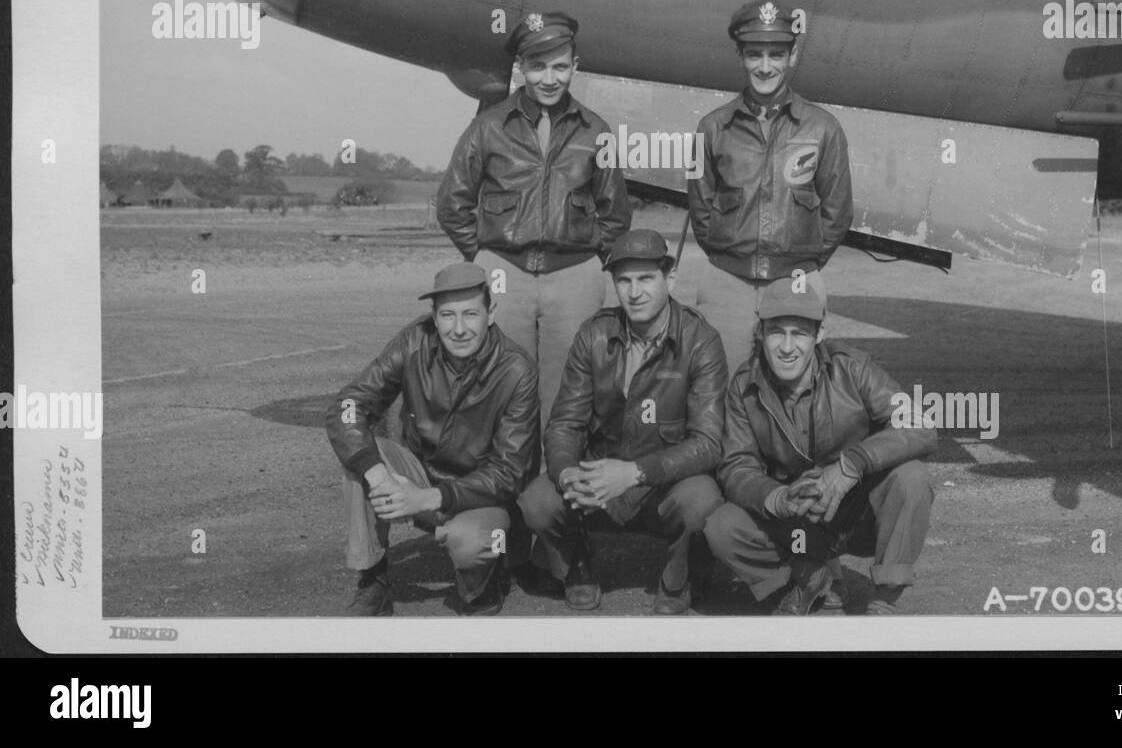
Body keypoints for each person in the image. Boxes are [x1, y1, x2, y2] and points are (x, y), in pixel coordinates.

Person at [437, 12, 632, 426]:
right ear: (520, 67)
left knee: (571, 390)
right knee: (502, 384)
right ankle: (504, 481)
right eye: (538, 66)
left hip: (574, 272)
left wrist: (595, 265)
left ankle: (558, 479)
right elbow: (452, 202)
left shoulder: (596, 130)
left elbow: (616, 210)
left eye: (560, 67)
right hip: (505, 271)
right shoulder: (488, 127)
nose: (549, 78)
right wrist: (484, 255)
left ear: (575, 68)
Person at [518, 229, 728, 614]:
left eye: (646, 278)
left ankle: (678, 576)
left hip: (662, 487)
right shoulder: (593, 334)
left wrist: (634, 472)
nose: (634, 292)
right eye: (624, 280)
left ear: (671, 279)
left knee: (702, 499)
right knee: (537, 501)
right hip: (599, 482)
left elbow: (708, 442)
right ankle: (577, 564)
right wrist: (567, 474)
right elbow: (565, 423)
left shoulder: (701, 341)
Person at [704, 279, 936, 615]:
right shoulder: (744, 386)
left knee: (911, 477)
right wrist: (776, 497)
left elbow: (920, 425)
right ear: (760, 333)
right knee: (722, 526)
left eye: (799, 333)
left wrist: (851, 464)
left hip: (856, 513)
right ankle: (811, 578)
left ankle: (884, 601)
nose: (786, 346)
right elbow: (736, 467)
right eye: (775, 332)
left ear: (820, 334)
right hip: (794, 519)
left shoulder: (853, 368)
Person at [326, 262, 539, 616]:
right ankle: (374, 579)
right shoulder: (413, 341)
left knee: (471, 545)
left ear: (491, 313)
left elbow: (509, 473)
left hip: (479, 492)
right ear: (434, 316)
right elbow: (349, 407)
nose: (458, 329)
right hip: (420, 471)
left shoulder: (517, 370)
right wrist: (378, 474)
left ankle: (483, 581)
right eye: (447, 315)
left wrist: (426, 498)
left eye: (470, 314)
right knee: (359, 459)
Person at [688, 0, 853, 377]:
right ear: (740, 57)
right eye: (754, 55)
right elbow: (701, 207)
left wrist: (800, 263)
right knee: (721, 390)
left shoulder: (823, 128)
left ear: (792, 57)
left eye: (776, 54)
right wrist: (731, 258)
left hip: (795, 281)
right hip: (728, 281)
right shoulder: (712, 128)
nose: (765, 67)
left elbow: (838, 210)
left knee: (796, 398)